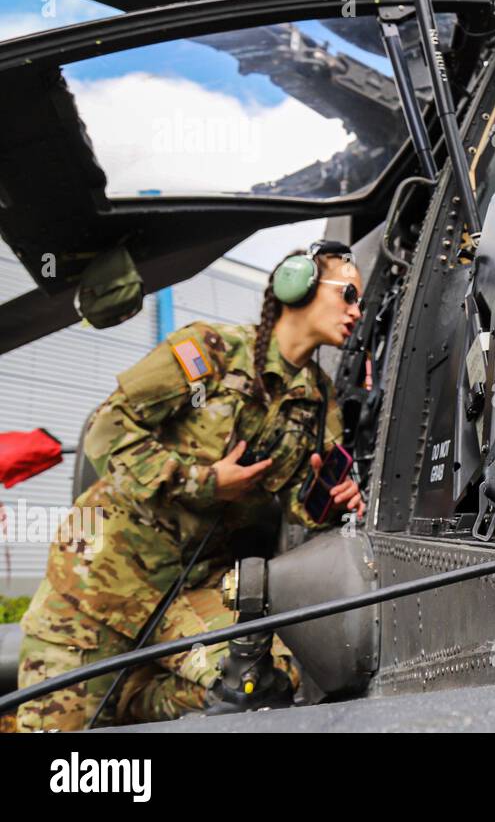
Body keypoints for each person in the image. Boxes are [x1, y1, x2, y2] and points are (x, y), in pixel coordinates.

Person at [15, 240, 366, 730]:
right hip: (101, 584)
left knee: (263, 681)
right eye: (348, 294)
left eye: (361, 302)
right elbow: (106, 429)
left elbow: (299, 503)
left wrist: (332, 504)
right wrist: (204, 482)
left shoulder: (317, 401)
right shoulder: (210, 349)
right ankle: (116, 694)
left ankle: (135, 693)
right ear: (297, 283)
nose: (356, 310)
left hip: (194, 587)